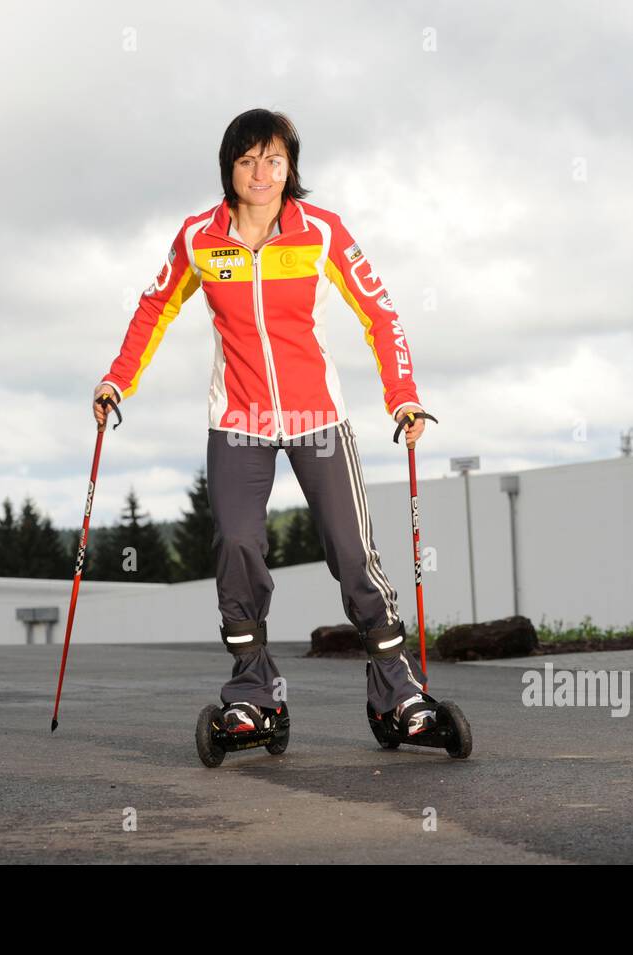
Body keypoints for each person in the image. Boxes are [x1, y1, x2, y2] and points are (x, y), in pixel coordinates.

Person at [93, 108, 437, 738]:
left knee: (352, 550)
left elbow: (380, 313)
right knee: (237, 545)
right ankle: (255, 690)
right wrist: (118, 379)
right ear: (229, 166)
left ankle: (397, 693)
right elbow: (152, 309)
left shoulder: (322, 232)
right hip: (238, 419)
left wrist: (403, 396)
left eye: (272, 159)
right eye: (247, 159)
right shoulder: (201, 238)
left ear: (290, 168)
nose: (260, 171)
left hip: (318, 417)